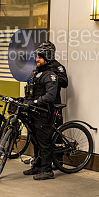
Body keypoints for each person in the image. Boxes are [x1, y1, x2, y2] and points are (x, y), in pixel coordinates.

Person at [22, 44, 59, 180]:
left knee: (44, 142)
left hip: (43, 113)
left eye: (40, 57)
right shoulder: (36, 73)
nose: (37, 59)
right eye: (37, 57)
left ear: (47, 58)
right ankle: (37, 166)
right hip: (33, 112)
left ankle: (47, 170)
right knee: (35, 140)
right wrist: (25, 101)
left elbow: (50, 96)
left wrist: (36, 102)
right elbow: (30, 92)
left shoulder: (50, 76)